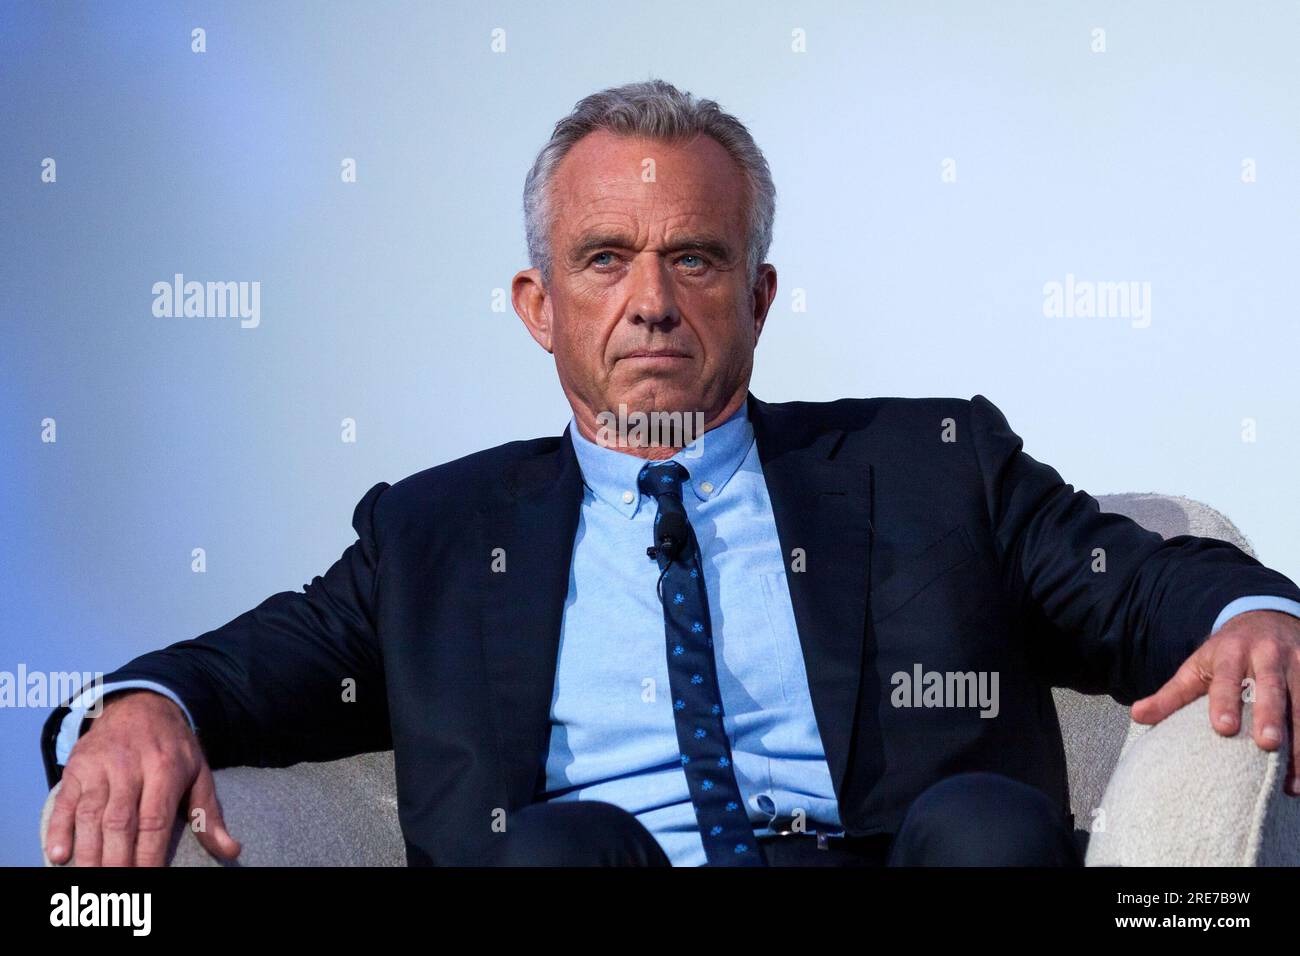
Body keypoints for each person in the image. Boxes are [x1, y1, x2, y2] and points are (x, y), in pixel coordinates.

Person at [41, 79, 1300, 868]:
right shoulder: (433, 532)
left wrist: (1258, 610)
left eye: (694, 258)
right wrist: (138, 705)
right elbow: (238, 669)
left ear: (755, 296)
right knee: (551, 850)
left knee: (989, 824)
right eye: (604, 260)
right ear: (539, 305)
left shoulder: (932, 464)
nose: (649, 302)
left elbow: (1142, 586)